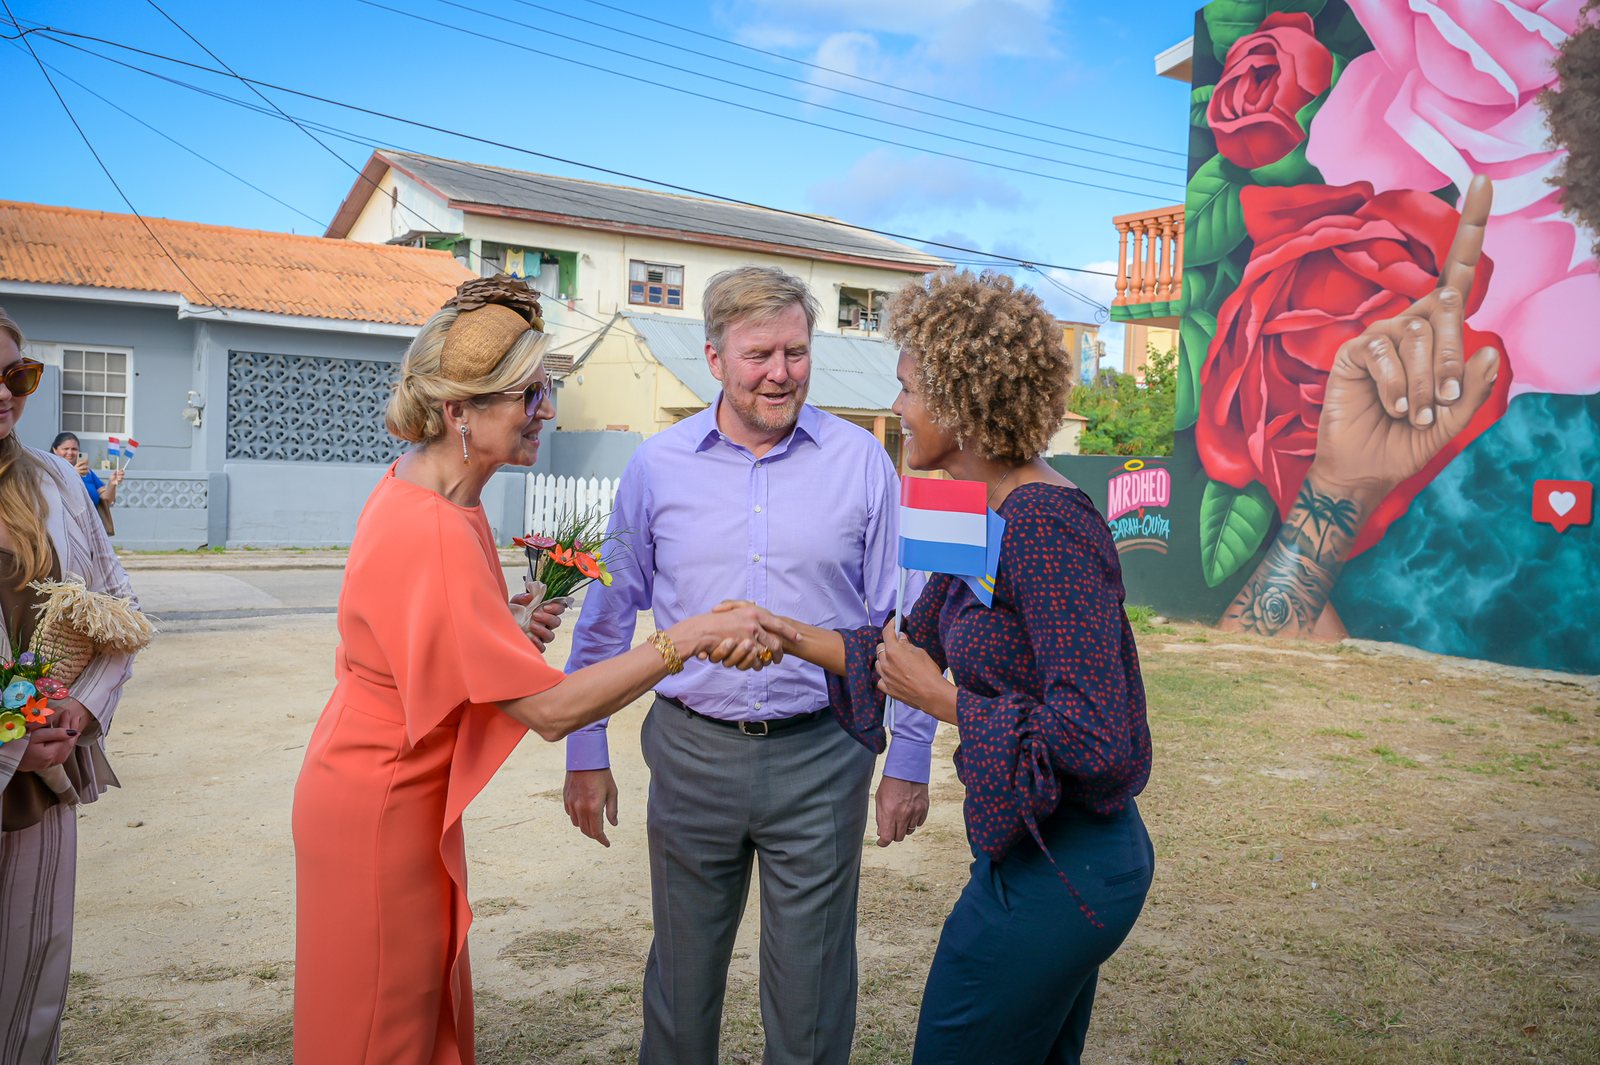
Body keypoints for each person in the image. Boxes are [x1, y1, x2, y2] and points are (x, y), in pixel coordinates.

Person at [290, 276, 782, 1065]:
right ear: (460, 412)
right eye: (526, 393)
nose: (546, 408)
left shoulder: (440, 493)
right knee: (382, 1023)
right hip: (381, 796)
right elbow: (550, 712)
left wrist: (501, 625)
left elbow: (413, 630)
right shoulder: (441, 527)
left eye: (546, 386)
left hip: (375, 778)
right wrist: (682, 639)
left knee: (410, 1009)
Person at [745, 270, 1154, 1065]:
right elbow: (906, 648)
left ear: (962, 400)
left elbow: (1100, 735)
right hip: (1026, 848)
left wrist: (946, 701)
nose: (897, 409)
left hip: (1073, 861)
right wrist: (784, 632)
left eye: (907, 390)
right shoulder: (980, 512)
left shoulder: (1046, 526)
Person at [561, 265, 937, 1064]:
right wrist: (585, 751)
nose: (780, 372)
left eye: (796, 352)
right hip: (691, 754)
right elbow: (604, 618)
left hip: (823, 753)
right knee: (681, 989)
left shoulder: (863, 464)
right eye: (759, 353)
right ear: (714, 358)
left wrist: (907, 758)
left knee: (812, 996)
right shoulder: (655, 468)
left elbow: (897, 627)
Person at [0, 307, 139, 1064]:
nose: (3, 393)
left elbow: (123, 607)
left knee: (33, 972)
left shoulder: (57, 479)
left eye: (17, 376)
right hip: (16, 754)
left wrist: (80, 708)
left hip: (48, 769)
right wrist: (6, 743)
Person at [50, 431, 123, 537]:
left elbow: (107, 500)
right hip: (64, 531)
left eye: (74, 449)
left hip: (91, 530)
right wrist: (73, 475)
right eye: (65, 449)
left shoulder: (87, 473)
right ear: (55, 450)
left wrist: (112, 483)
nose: (70, 452)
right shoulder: (49, 470)